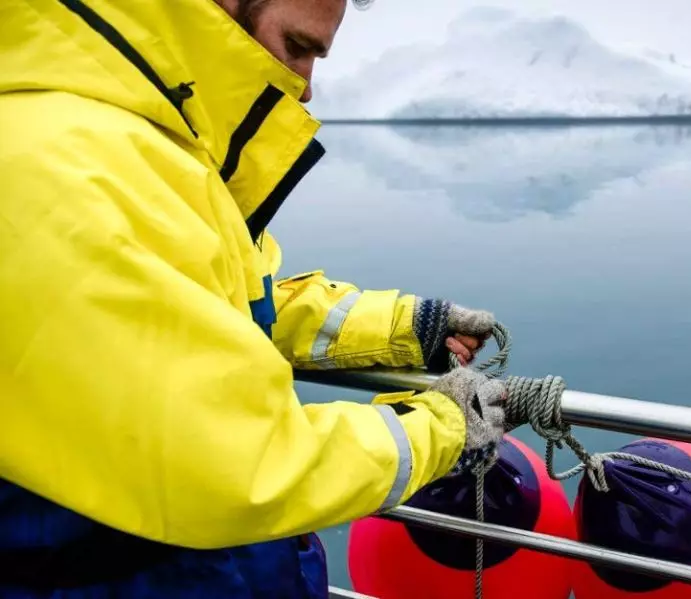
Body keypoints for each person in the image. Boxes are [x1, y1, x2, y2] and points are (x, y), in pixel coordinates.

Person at [0, 0, 508, 597]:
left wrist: (406, 326)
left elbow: (225, 301)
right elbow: (243, 465)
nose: (306, 89)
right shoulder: (60, 165)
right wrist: (446, 426)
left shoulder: (148, 147)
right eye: (296, 48)